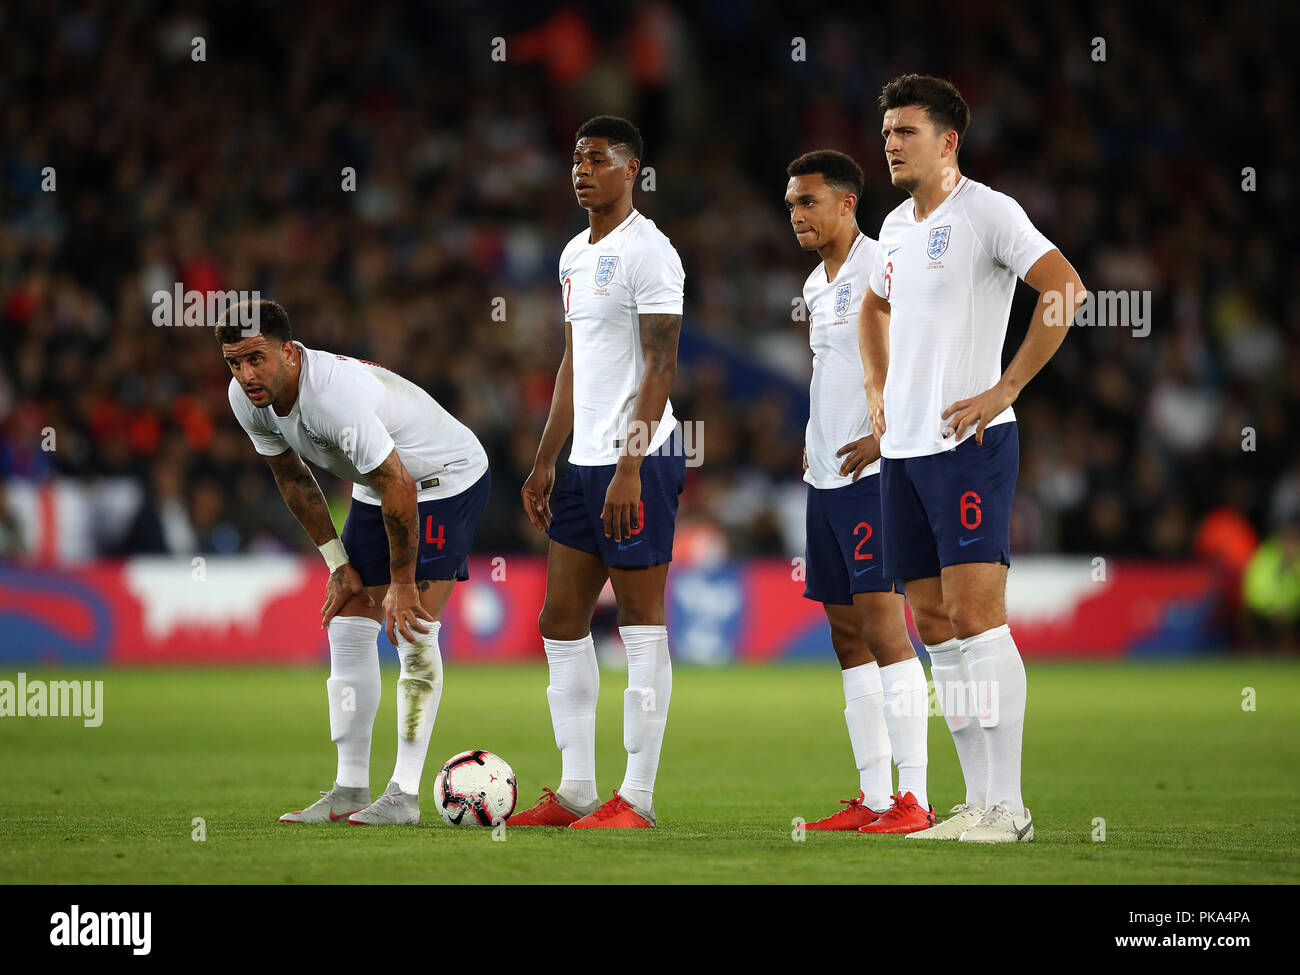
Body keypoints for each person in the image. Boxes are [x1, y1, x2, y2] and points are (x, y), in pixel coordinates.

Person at [859, 75, 1086, 843]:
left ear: (948, 140)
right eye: (887, 131)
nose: (891, 143)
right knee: (931, 620)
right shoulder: (890, 226)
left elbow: (1065, 289)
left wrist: (1007, 385)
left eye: (906, 131)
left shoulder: (988, 211)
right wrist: (875, 384)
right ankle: (973, 802)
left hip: (971, 444)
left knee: (976, 615)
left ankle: (1009, 805)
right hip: (904, 450)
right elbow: (876, 305)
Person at [219, 299, 489, 825]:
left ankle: (404, 796)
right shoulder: (244, 399)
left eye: (255, 359)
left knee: (412, 627)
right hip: (377, 484)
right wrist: (337, 563)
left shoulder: (331, 397)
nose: (245, 374)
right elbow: (293, 477)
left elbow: (401, 483)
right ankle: (347, 789)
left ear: (288, 353)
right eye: (234, 362)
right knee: (345, 623)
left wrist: (404, 582)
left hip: (442, 477)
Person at [513, 116, 685, 829]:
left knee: (640, 624)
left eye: (597, 158)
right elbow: (575, 360)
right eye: (575, 159)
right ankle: (579, 787)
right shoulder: (572, 256)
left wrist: (629, 464)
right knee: (560, 619)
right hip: (583, 462)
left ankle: (636, 798)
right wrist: (546, 455)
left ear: (632, 170)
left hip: (637, 462)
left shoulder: (653, 253)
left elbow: (662, 363)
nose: (581, 170)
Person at [784, 150, 933, 834]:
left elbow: (919, 356)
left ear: (847, 202)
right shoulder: (817, 285)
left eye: (808, 202)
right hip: (825, 477)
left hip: (874, 476)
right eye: (791, 204)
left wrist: (886, 434)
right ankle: (874, 797)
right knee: (847, 636)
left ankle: (916, 798)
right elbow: (836, 370)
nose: (796, 215)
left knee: (883, 627)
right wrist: (816, 437)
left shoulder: (885, 262)